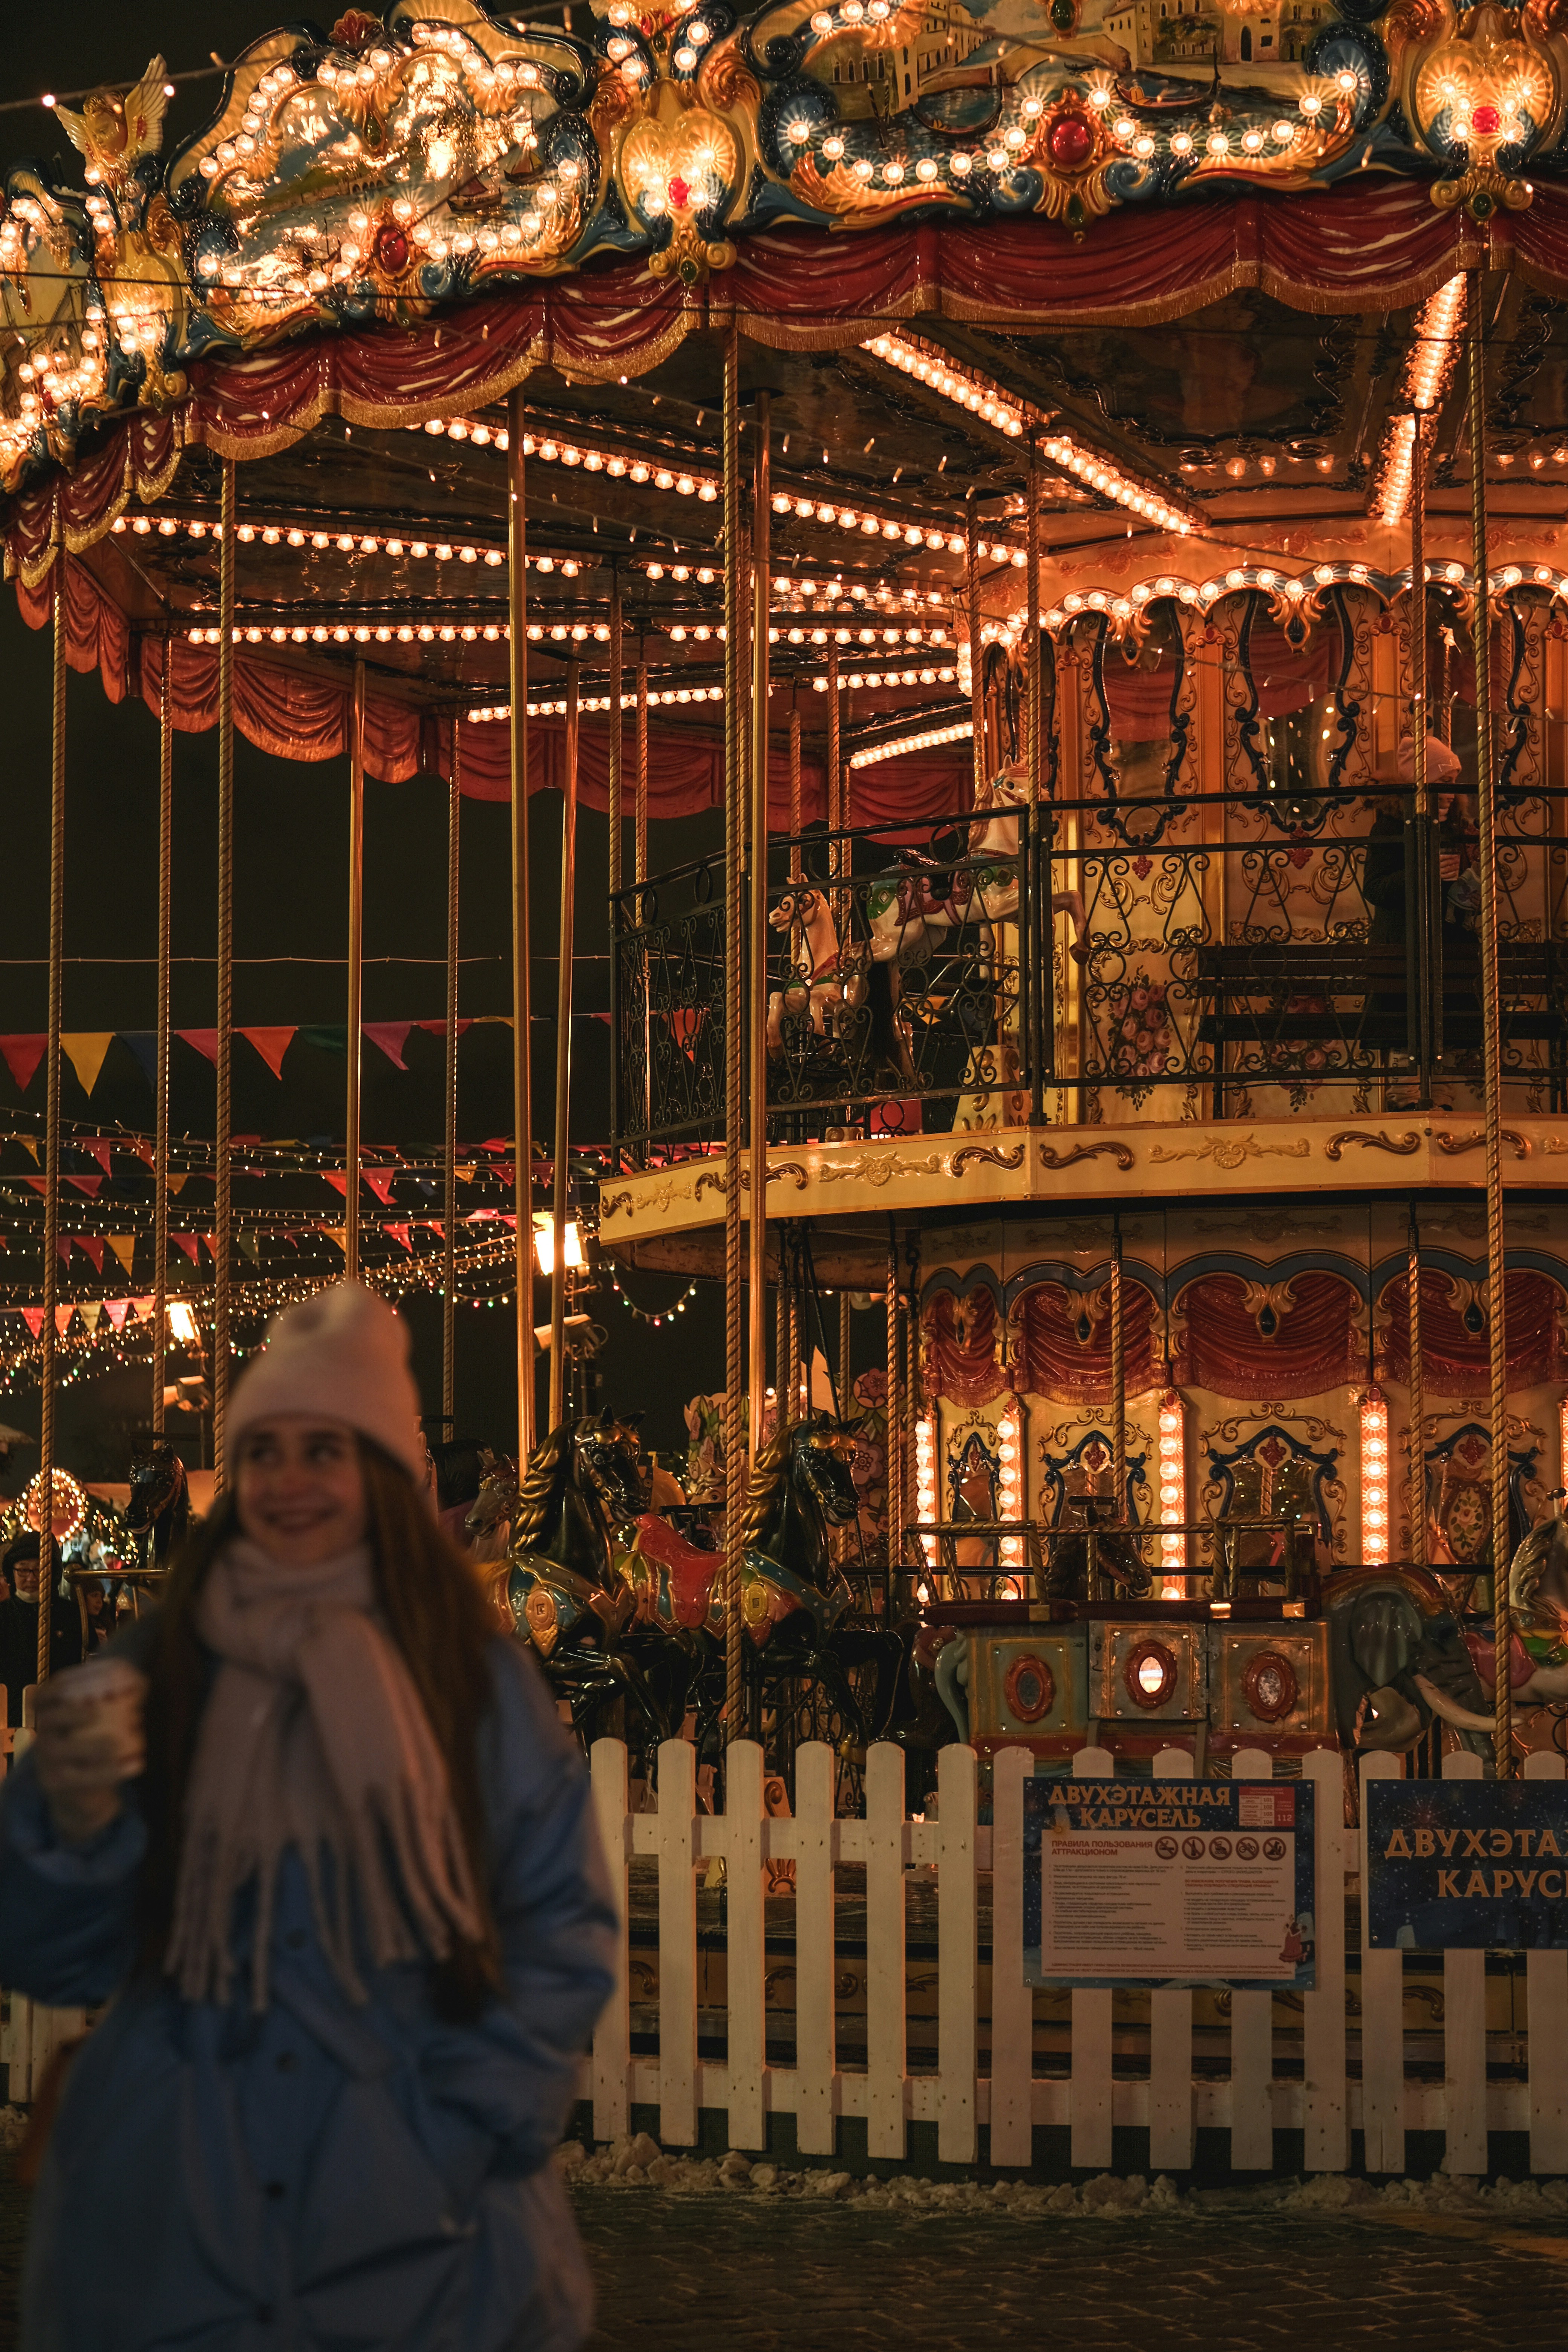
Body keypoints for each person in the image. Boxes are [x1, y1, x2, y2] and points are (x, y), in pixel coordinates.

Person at [0, 1281, 618, 2352]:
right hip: (171, 2204)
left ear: (382, 1472)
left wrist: (465, 2128)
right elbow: (48, 1950)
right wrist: (74, 1816)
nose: (288, 1482)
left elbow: (559, 1923)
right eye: (264, 1452)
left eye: (324, 1451)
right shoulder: (162, 1662)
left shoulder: (471, 1682)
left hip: (414, 2213)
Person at [0, 1533, 83, 1732]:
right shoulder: (3, 1615)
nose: (31, 1578)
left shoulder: (71, 1615)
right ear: (13, 1573)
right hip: (9, 1720)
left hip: (59, 1719)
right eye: (23, 1570)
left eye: (38, 1570)